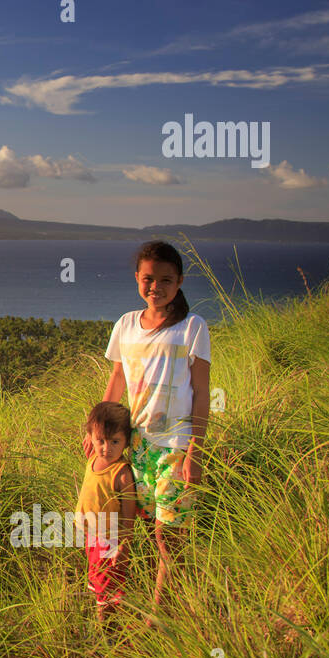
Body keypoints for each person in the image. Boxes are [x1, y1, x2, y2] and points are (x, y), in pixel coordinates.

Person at [85, 240, 211, 615]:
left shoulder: (192, 327)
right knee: (127, 530)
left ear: (180, 281)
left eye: (166, 280)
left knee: (167, 535)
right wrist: (95, 431)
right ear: (137, 278)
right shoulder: (126, 324)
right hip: (135, 447)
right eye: (148, 279)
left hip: (175, 445)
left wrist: (195, 451)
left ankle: (161, 617)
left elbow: (202, 392)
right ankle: (118, 602)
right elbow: (117, 381)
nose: (156, 287)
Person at [75, 401, 137, 622]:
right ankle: (107, 626)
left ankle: (108, 635)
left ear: (126, 442)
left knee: (107, 592)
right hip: (93, 537)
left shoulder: (122, 473)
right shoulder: (93, 459)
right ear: (90, 437)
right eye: (100, 441)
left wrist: (124, 545)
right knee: (98, 581)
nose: (106, 448)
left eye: (115, 442)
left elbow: (129, 516)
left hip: (109, 541)